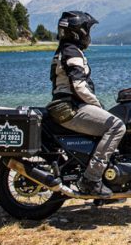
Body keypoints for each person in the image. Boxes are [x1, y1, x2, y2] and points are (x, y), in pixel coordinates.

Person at [48, 10, 125, 197]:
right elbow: (78, 85)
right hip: (70, 107)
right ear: (78, 32)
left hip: (65, 106)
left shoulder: (65, 50)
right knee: (116, 126)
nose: (88, 35)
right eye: (87, 30)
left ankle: (110, 185)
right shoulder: (72, 51)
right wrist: (97, 105)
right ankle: (91, 179)